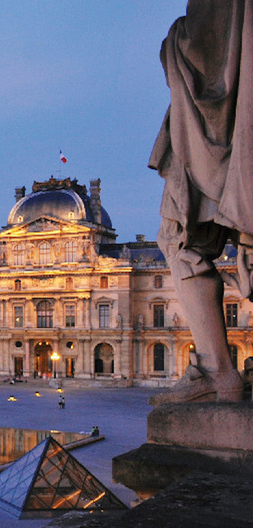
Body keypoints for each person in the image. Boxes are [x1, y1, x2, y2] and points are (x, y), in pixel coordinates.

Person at [150, 1, 253, 404]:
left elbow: (197, 43)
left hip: (209, 132)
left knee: (178, 239)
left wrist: (174, 42)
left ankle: (216, 368)